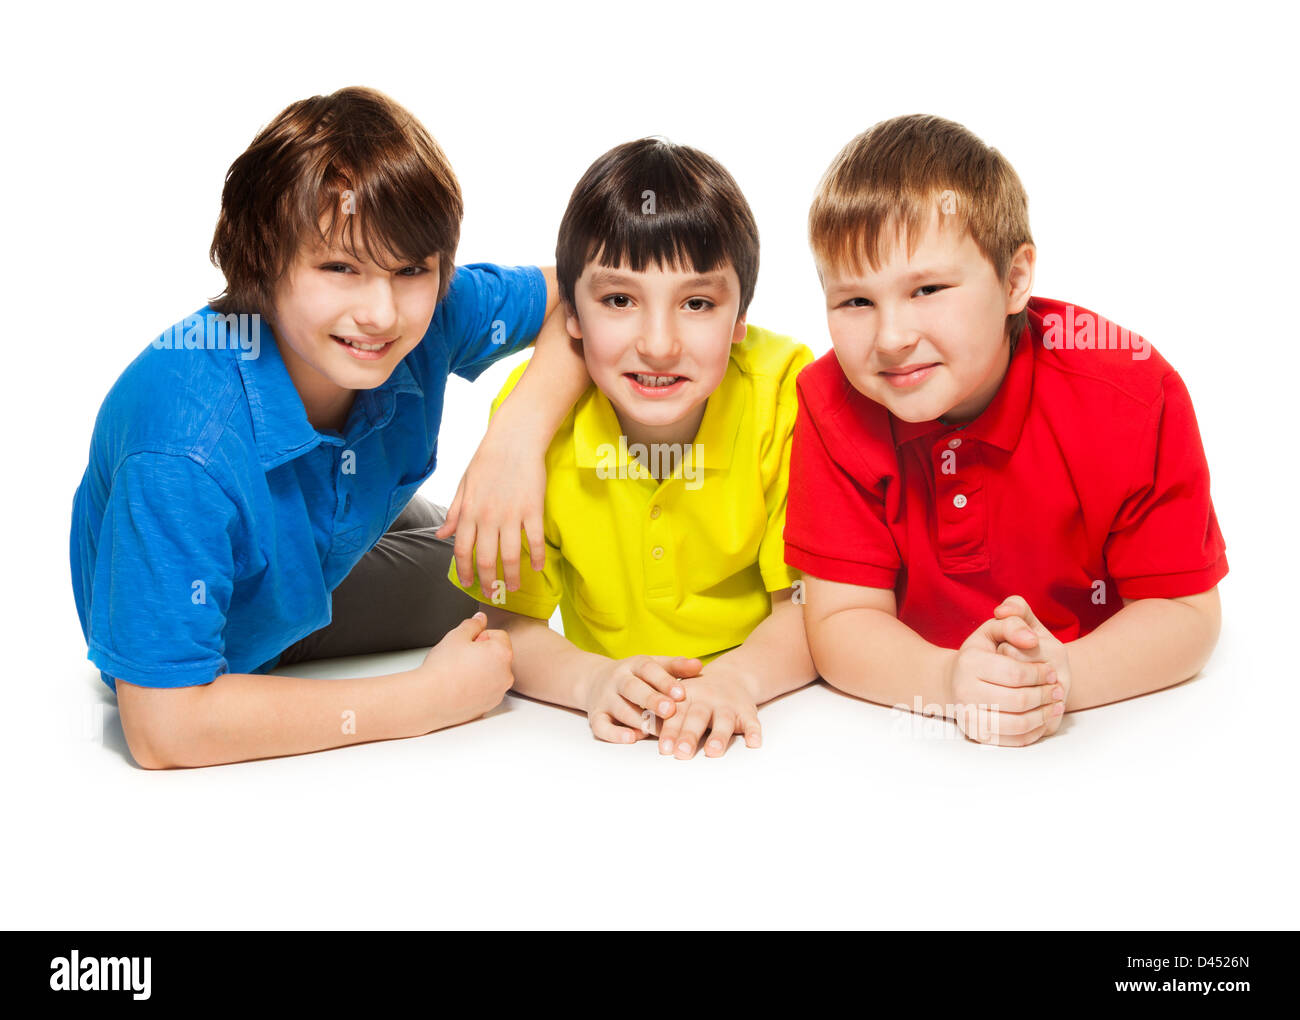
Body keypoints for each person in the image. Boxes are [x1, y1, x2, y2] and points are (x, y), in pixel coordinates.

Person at [70, 87, 589, 769]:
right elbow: (163, 726)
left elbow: (589, 291)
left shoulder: (431, 311)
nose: (380, 312)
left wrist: (516, 440)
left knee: (506, 533)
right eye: (340, 267)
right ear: (261, 260)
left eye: (410, 269)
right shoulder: (184, 448)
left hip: (338, 516)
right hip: (250, 621)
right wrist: (419, 701)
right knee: (508, 575)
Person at [786, 114, 1227, 746]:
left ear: (1015, 279)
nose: (890, 338)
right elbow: (841, 621)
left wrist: (1062, 676)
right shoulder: (831, 403)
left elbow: (1187, 614)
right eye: (856, 301)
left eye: (928, 288)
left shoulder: (1132, 395)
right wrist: (948, 683)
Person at [449, 138, 818, 758]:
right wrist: (591, 680)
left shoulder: (781, 392)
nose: (658, 344)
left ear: (739, 320)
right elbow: (510, 625)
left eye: (697, 303)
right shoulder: (532, 420)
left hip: (780, 712)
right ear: (572, 314)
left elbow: (809, 606)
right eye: (619, 300)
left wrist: (735, 681)